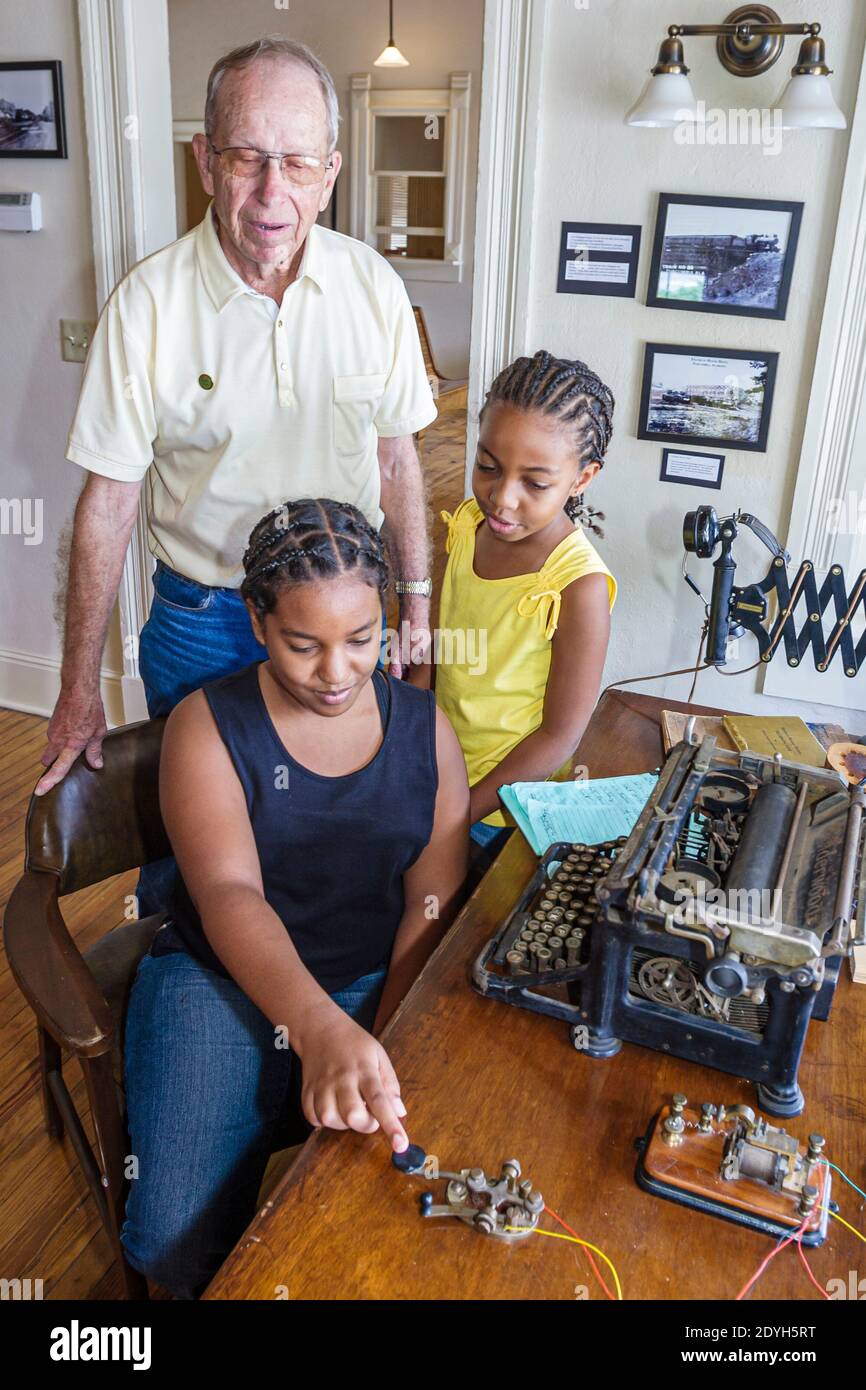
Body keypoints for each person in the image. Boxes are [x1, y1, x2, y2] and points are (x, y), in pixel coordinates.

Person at [37, 34, 436, 802]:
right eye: (247, 157)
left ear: (330, 175)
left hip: (342, 614)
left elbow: (395, 462)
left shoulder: (374, 288)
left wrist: (414, 603)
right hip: (203, 618)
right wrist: (78, 686)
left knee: (336, 825)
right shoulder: (146, 306)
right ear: (206, 161)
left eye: (297, 163)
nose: (270, 191)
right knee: (188, 841)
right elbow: (109, 503)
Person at [120, 498, 469, 1299]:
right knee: (172, 1235)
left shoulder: (427, 730)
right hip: (221, 982)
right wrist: (315, 1028)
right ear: (255, 621)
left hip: (375, 974)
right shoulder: (207, 727)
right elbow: (230, 894)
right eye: (302, 645)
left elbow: (429, 905)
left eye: (361, 639)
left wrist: (383, 1036)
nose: (337, 672)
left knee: (390, 1205)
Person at [434, 350, 618, 865]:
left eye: (535, 484)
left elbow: (559, 736)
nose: (501, 498)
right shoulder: (467, 524)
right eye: (487, 466)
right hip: (436, 782)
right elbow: (433, 653)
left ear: (582, 479)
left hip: (506, 815)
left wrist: (460, 814)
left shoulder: (578, 586)